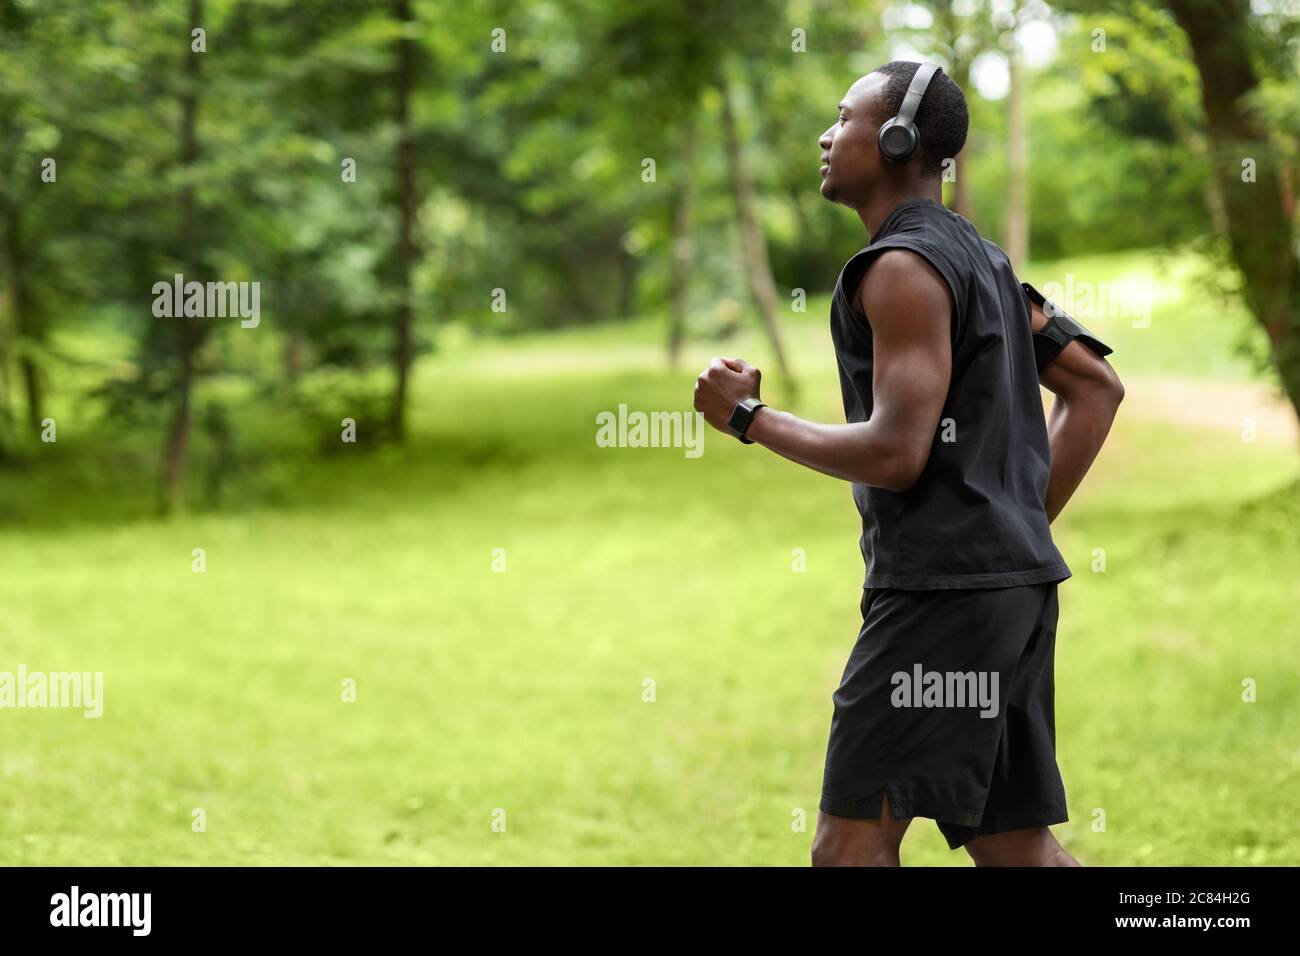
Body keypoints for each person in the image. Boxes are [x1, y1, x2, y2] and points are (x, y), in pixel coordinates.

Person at [692, 61, 1124, 866]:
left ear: (896, 140)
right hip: (1007, 591)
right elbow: (1095, 385)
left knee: (849, 846)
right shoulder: (986, 263)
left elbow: (896, 452)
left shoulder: (900, 270)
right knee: (1014, 845)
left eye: (844, 117)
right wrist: (1015, 530)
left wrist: (750, 419)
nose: (827, 134)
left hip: (941, 596)